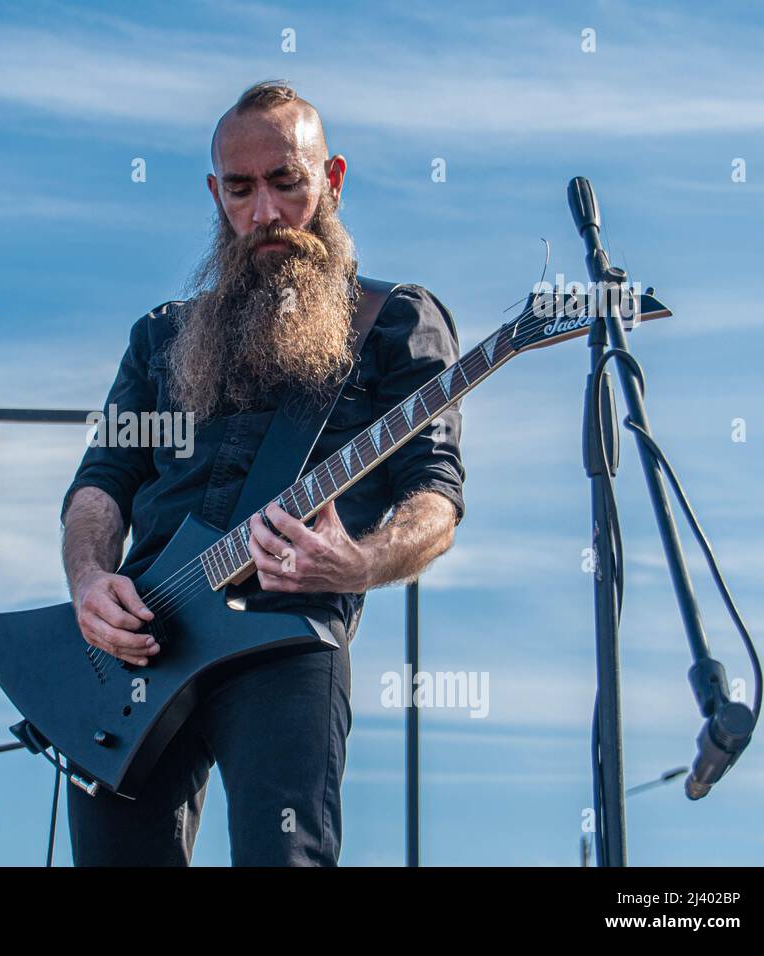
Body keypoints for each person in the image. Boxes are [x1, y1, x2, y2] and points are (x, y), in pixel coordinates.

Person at [58, 80, 465, 866]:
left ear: (332, 180)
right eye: (240, 190)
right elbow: (101, 482)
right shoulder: (160, 339)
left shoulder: (394, 325)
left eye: (287, 182)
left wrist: (362, 560)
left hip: (286, 638)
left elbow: (436, 496)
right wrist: (87, 580)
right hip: (140, 642)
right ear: (216, 193)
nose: (265, 213)